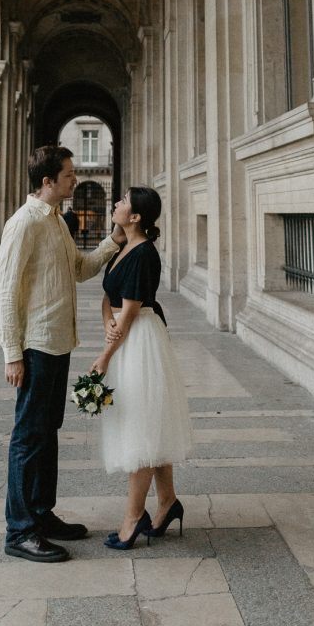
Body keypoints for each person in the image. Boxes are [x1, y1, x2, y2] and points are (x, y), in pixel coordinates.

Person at [0, 144, 120, 563]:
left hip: (58, 341)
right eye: (68, 175)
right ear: (47, 181)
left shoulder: (57, 222)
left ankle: (42, 514)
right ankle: (20, 530)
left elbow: (79, 270)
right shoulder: (25, 223)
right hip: (34, 345)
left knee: (46, 433)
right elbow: (5, 292)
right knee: (28, 437)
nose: (74, 179)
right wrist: (12, 352)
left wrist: (112, 242)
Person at [90, 186, 193, 549]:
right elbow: (109, 295)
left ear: (135, 217)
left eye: (123, 202)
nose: (116, 204)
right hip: (125, 336)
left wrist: (104, 356)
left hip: (140, 340)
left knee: (141, 426)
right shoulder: (123, 247)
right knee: (150, 423)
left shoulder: (144, 253)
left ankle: (133, 518)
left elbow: (131, 311)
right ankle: (167, 502)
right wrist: (106, 320)